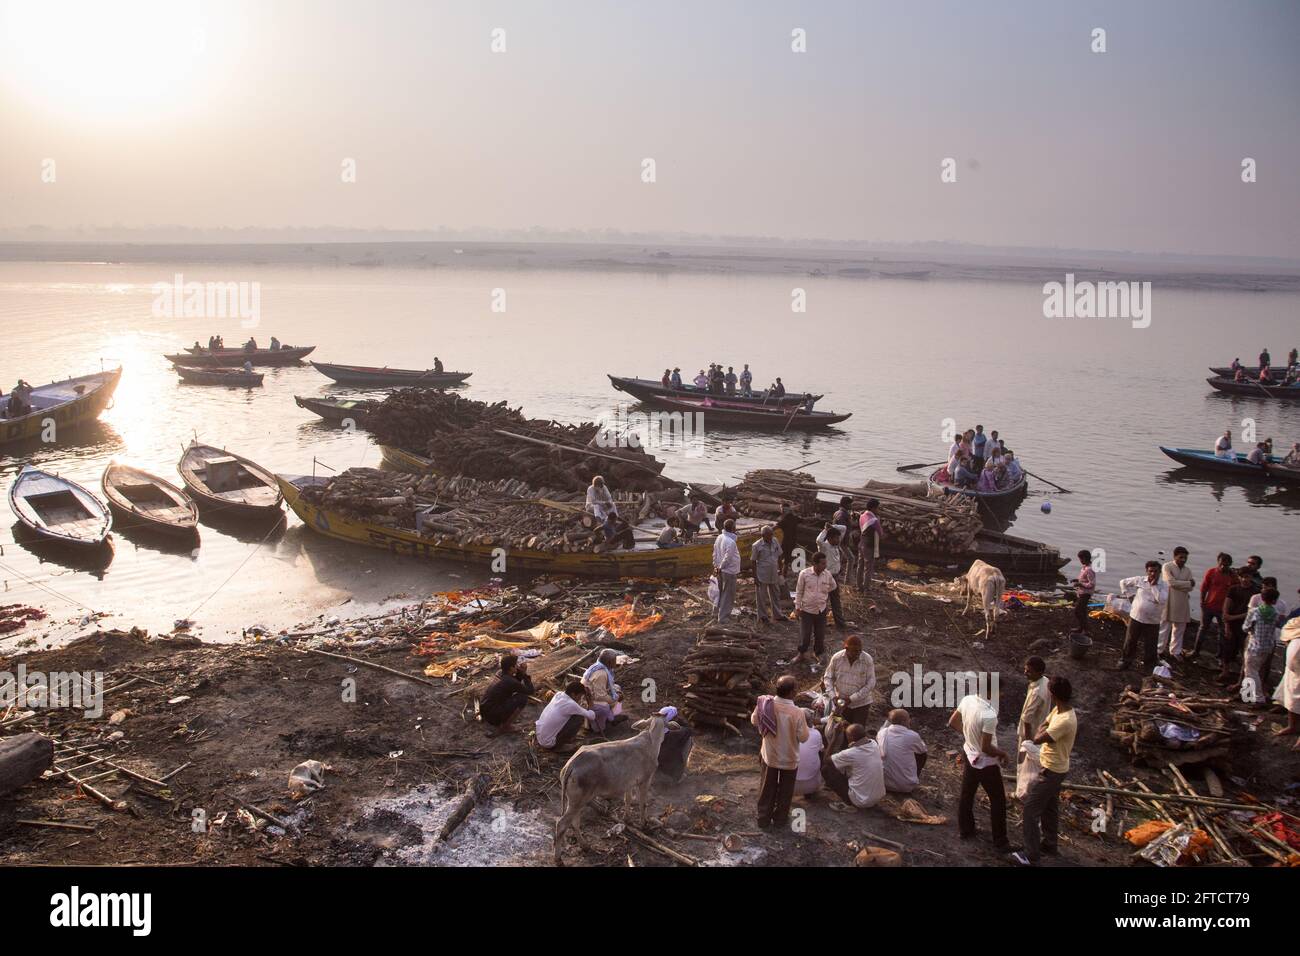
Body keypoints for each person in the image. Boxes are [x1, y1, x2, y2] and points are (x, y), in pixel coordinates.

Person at [1011, 676, 1077, 866]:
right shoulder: (1060, 709)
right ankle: (1050, 844)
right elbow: (1044, 727)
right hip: (1054, 766)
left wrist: (1041, 734)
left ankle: (1030, 855)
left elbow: (1039, 737)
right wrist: (1042, 732)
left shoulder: (1064, 720)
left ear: (1052, 694)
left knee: (1031, 809)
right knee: (1050, 807)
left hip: (1051, 770)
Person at [950, 688, 1009, 849]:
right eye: (999, 692)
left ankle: (965, 829)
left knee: (967, 793)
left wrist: (970, 736)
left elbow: (953, 722)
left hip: (970, 753)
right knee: (998, 800)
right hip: (985, 762)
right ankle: (1001, 841)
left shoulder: (968, 699)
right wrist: (1003, 754)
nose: (1001, 695)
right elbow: (987, 747)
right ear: (991, 692)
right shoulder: (989, 714)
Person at [751, 675, 808, 828]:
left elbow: (754, 720)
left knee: (767, 786)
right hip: (789, 758)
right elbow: (803, 738)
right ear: (791, 693)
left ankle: (763, 818)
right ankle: (780, 820)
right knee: (785, 790)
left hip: (770, 755)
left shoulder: (764, 703)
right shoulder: (797, 712)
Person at [821, 724, 885, 810]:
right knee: (845, 766)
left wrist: (834, 737)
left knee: (826, 769)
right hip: (877, 797)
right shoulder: (874, 744)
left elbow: (826, 760)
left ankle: (848, 803)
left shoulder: (851, 753)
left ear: (850, 737)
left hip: (859, 800)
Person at [1118, 561, 1167, 673]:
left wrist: (1153, 586)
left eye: (1155, 571)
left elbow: (1162, 600)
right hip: (1136, 617)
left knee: (1151, 643)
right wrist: (1129, 594)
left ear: (1160, 572)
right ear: (1147, 571)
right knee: (1130, 640)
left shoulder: (1164, 586)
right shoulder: (1140, 580)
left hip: (1153, 620)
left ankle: (1149, 665)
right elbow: (1123, 582)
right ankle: (1125, 660)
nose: (1153, 574)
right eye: (1150, 571)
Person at [1240, 587, 1282, 705]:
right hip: (1268, 646)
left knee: (1251, 671)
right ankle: (1247, 695)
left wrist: (1251, 628)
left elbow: (1245, 627)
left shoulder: (1255, 611)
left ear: (1262, 598)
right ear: (1274, 600)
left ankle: (1258, 698)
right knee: (1256, 670)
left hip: (1255, 645)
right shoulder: (1275, 613)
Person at [823, 634, 875, 725]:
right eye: (854, 651)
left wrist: (851, 699)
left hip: (861, 705)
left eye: (860, 650)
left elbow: (871, 683)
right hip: (840, 704)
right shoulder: (837, 658)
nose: (858, 653)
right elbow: (828, 678)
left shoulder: (867, 659)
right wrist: (833, 697)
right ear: (846, 649)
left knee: (856, 731)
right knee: (838, 728)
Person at [1192, 552, 1235, 660]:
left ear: (1230, 564)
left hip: (1223, 609)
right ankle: (1195, 651)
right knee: (1203, 628)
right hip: (1209, 605)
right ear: (1218, 562)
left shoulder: (1233, 577)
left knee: (1222, 631)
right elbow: (1204, 587)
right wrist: (1202, 601)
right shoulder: (1211, 572)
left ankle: (1220, 655)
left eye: (1226, 565)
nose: (1223, 566)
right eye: (1221, 564)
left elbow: (1234, 593)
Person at [794, 552, 836, 663]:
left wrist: (822, 595)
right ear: (815, 564)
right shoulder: (804, 574)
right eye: (822, 563)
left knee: (820, 634)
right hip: (806, 610)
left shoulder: (827, 575)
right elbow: (799, 592)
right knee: (805, 635)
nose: (825, 566)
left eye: (825, 563)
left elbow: (833, 586)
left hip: (821, 610)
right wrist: (797, 607)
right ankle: (801, 654)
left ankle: (818, 653)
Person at [479, 654, 535, 734]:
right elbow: (530, 691)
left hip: (485, 711)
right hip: (492, 716)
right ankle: (506, 727)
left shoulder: (501, 674)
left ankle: (503, 720)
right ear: (511, 668)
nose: (518, 666)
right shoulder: (509, 681)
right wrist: (524, 675)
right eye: (516, 665)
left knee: (514, 697)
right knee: (522, 698)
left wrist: (521, 673)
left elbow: (516, 683)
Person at [876, 709, 927, 793]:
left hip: (883, 783)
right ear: (904, 721)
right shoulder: (912, 735)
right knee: (922, 754)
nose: (909, 720)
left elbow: (883, 728)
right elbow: (923, 750)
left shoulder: (881, 733)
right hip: (906, 786)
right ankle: (913, 777)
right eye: (908, 719)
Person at [535, 681, 596, 750]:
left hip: (540, 737)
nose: (579, 699)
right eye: (579, 696)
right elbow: (592, 716)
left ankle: (561, 739)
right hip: (549, 743)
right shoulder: (570, 704)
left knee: (575, 714)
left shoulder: (559, 695)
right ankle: (561, 745)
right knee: (579, 717)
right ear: (573, 694)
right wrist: (590, 699)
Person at [1160, 547, 1195, 658]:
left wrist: (1185, 585)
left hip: (1182, 601)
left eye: (1185, 558)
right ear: (1174, 556)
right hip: (1169, 600)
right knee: (1164, 627)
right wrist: (1187, 584)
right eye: (1181, 557)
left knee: (1179, 628)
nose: (1183, 560)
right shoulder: (1167, 566)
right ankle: (1159, 650)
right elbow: (1170, 583)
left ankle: (1175, 651)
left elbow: (1191, 588)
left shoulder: (1187, 570)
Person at [1219, 570, 1253, 684]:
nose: (1244, 579)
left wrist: (1233, 617)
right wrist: (1227, 622)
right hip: (1233, 624)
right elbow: (1226, 605)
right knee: (1227, 648)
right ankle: (1225, 672)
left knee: (1244, 651)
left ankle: (1242, 677)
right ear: (1239, 577)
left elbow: (1251, 612)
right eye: (1242, 577)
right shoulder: (1234, 589)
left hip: (1246, 626)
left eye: (1247, 577)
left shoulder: (1255, 592)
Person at [1273, 619, 1300, 749]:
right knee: (1291, 699)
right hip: (1293, 670)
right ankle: (1292, 726)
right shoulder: (1295, 624)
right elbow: (1286, 630)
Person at [816, 522, 848, 628]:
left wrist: (832, 526)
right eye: (836, 538)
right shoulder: (825, 546)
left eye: (838, 538)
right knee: (823, 600)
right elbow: (818, 540)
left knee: (835, 600)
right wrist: (826, 529)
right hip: (826, 577)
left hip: (835, 577)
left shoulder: (835, 545)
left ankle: (840, 623)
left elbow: (844, 527)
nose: (838, 540)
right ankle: (820, 623)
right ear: (830, 538)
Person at [582, 649, 624, 732]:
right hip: (588, 701)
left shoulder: (598, 666)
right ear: (609, 662)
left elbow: (608, 686)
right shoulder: (601, 674)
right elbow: (599, 696)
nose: (616, 662)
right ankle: (596, 726)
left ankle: (611, 716)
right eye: (614, 660)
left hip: (592, 695)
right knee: (605, 706)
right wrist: (617, 697)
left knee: (617, 688)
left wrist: (616, 692)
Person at [1017, 656, 1051, 759]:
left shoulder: (1037, 693)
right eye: (1025, 669)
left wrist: (1029, 744)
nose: (1025, 673)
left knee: (1024, 764)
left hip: (1031, 734)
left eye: (1029, 671)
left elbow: (1027, 719)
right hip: (1039, 731)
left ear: (1039, 672)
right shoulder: (1045, 680)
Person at [751, 525, 784, 625]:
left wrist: (780, 569)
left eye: (771, 534)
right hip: (762, 574)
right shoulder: (756, 545)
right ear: (763, 535)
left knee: (775, 594)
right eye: (768, 535)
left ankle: (778, 615)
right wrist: (755, 577)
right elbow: (753, 561)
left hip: (773, 572)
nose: (770, 537)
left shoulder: (775, 541)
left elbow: (779, 555)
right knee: (761, 596)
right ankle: (763, 616)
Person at [655, 705, 694, 783]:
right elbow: (689, 730)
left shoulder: (653, 729)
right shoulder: (675, 734)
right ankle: (678, 777)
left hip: (654, 769)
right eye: (676, 717)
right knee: (689, 740)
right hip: (669, 773)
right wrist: (679, 721)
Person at [712, 518, 740, 623]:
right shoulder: (731, 542)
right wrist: (720, 567)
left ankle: (716, 613)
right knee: (728, 595)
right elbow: (727, 559)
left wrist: (716, 566)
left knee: (719, 593)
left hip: (720, 569)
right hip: (728, 571)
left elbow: (714, 552)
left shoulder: (719, 537)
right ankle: (723, 618)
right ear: (733, 528)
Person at [793, 708, 825, 796]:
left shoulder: (788, 732)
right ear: (810, 720)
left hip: (789, 786)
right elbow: (821, 751)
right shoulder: (816, 733)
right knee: (819, 752)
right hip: (811, 787)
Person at [857, 498, 883, 591]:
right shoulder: (874, 520)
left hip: (861, 543)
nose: (878, 510)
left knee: (860, 566)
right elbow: (880, 533)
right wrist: (878, 521)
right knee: (868, 568)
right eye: (877, 508)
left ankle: (859, 586)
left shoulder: (862, 516)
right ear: (873, 508)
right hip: (869, 545)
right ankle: (866, 588)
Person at [1072, 549, 1095, 635]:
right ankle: (1082, 629)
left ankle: (1085, 629)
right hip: (1082, 592)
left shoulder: (1089, 569)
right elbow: (1084, 579)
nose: (1080, 561)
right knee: (1083, 611)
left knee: (1077, 611)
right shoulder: (1084, 568)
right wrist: (1077, 580)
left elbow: (1092, 584)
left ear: (1085, 558)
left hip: (1086, 594)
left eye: (1081, 559)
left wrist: (1080, 584)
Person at [775, 501, 800, 576]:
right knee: (787, 559)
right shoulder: (794, 518)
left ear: (784, 510)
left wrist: (763, 530)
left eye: (781, 509)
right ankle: (784, 574)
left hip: (785, 541)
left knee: (779, 556)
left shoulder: (784, 519)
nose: (781, 510)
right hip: (793, 541)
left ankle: (779, 572)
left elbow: (775, 527)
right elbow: (804, 519)